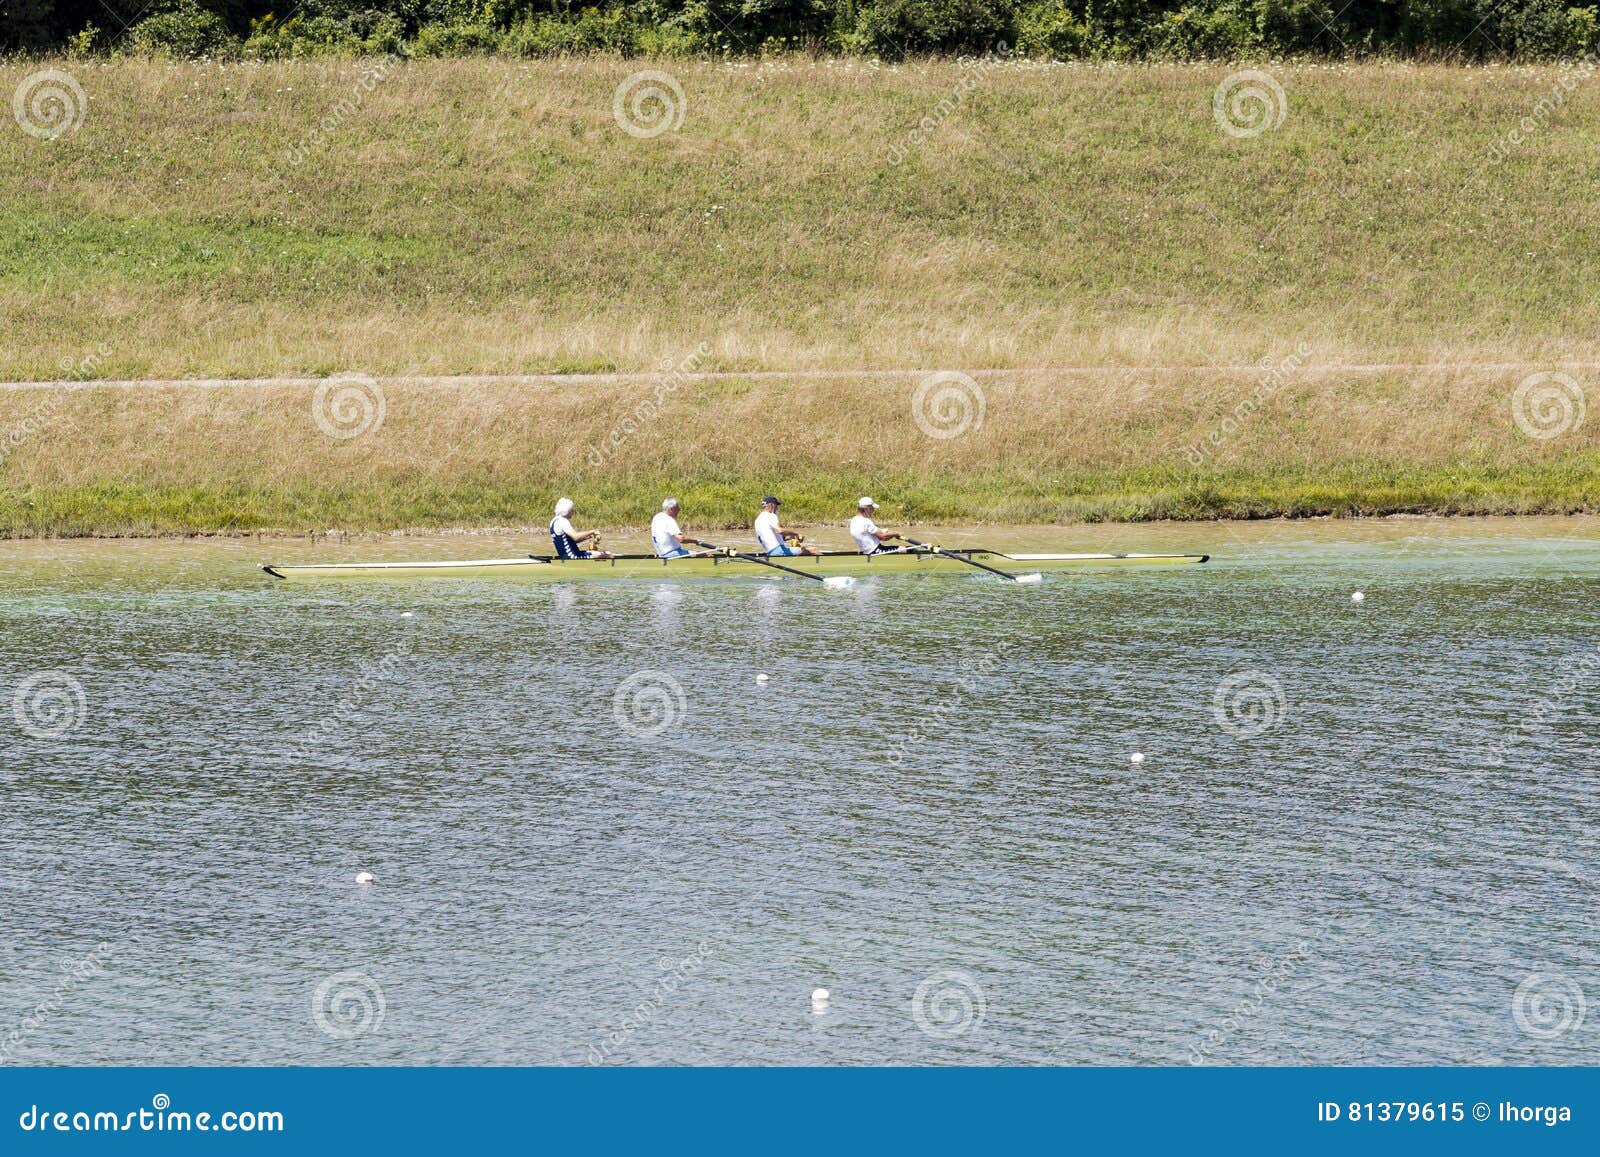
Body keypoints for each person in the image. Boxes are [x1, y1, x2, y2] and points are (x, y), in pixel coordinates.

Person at [753, 496, 821, 557]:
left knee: (800, 548)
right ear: (772, 505)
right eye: (776, 506)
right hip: (779, 551)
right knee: (814, 550)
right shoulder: (771, 515)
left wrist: (792, 537)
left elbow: (773, 537)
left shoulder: (758, 519)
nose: (777, 508)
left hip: (769, 552)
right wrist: (797, 534)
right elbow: (779, 530)